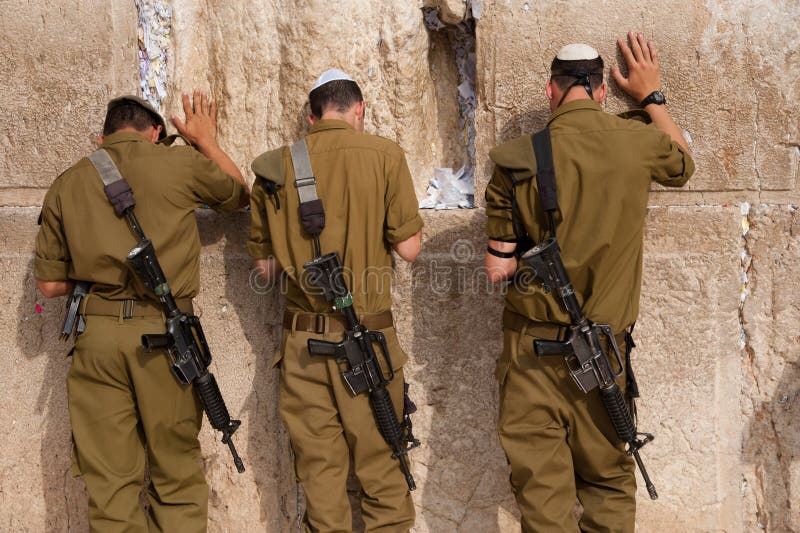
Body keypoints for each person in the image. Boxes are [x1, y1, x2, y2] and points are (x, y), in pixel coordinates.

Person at [483, 33, 695, 532]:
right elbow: (683, 164)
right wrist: (651, 97)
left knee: (541, 492)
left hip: (532, 355)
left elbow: (498, 268)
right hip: (602, 355)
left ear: (550, 90)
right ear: (602, 92)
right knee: (606, 482)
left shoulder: (514, 160)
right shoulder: (638, 141)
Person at [34, 91, 248, 532]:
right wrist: (205, 141)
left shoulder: (68, 182)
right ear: (154, 132)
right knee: (176, 475)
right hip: (166, 342)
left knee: (111, 487)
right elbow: (238, 196)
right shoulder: (178, 163)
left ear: (102, 138)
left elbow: (49, 285)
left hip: (98, 341)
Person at [248, 68, 423, 532]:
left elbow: (265, 270)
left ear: (311, 117)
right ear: (359, 110)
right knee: (384, 472)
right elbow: (410, 250)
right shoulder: (385, 156)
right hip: (369, 344)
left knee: (321, 481)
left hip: (304, 348)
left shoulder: (272, 168)